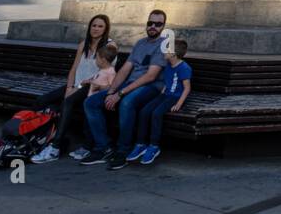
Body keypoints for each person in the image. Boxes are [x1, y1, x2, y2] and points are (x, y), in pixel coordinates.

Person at [80, 10, 169, 168]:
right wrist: (110, 91)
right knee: (91, 102)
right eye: (150, 23)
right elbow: (124, 70)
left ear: (163, 26)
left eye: (158, 24)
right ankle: (104, 147)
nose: (153, 27)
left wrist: (120, 93)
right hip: (130, 84)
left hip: (151, 87)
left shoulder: (163, 46)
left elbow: (150, 76)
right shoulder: (140, 43)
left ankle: (123, 150)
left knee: (127, 103)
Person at [31, 14, 113, 163]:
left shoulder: (110, 46)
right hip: (76, 84)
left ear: (106, 29)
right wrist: (70, 86)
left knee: (67, 103)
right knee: (42, 100)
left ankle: (54, 148)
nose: (96, 29)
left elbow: (105, 73)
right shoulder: (84, 44)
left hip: (90, 86)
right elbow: (74, 68)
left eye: (100, 26)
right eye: (94, 25)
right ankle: (40, 138)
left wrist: (78, 87)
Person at [127, 35, 193, 165]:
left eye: (166, 50)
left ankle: (154, 146)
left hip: (175, 97)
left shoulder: (184, 68)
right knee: (144, 111)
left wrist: (179, 103)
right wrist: (162, 93)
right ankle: (140, 143)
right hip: (165, 95)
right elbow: (167, 82)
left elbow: (186, 88)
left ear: (173, 54)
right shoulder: (168, 65)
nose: (163, 52)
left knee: (156, 113)